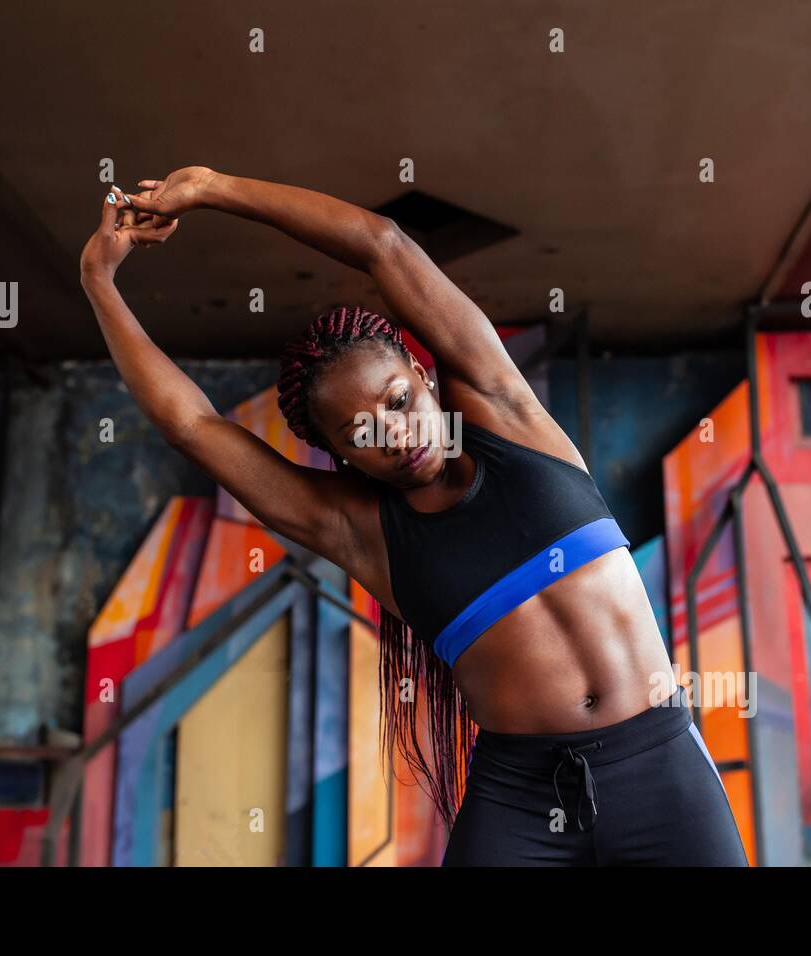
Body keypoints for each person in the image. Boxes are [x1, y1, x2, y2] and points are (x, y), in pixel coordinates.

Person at [79, 169, 748, 866]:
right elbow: (192, 425)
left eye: (399, 401)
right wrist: (99, 279)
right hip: (520, 795)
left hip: (657, 765)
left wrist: (214, 188)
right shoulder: (361, 532)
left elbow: (384, 244)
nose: (395, 435)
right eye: (359, 434)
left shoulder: (507, 416)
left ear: (425, 379)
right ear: (340, 456)